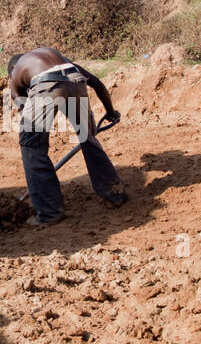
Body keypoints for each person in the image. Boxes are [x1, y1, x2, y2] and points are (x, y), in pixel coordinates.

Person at [7, 47, 126, 226]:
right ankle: (114, 193)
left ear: (13, 68)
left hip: (46, 84)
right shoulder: (59, 59)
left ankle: (49, 212)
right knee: (88, 138)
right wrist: (110, 111)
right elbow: (97, 83)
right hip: (75, 79)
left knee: (31, 146)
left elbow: (24, 108)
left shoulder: (16, 71)